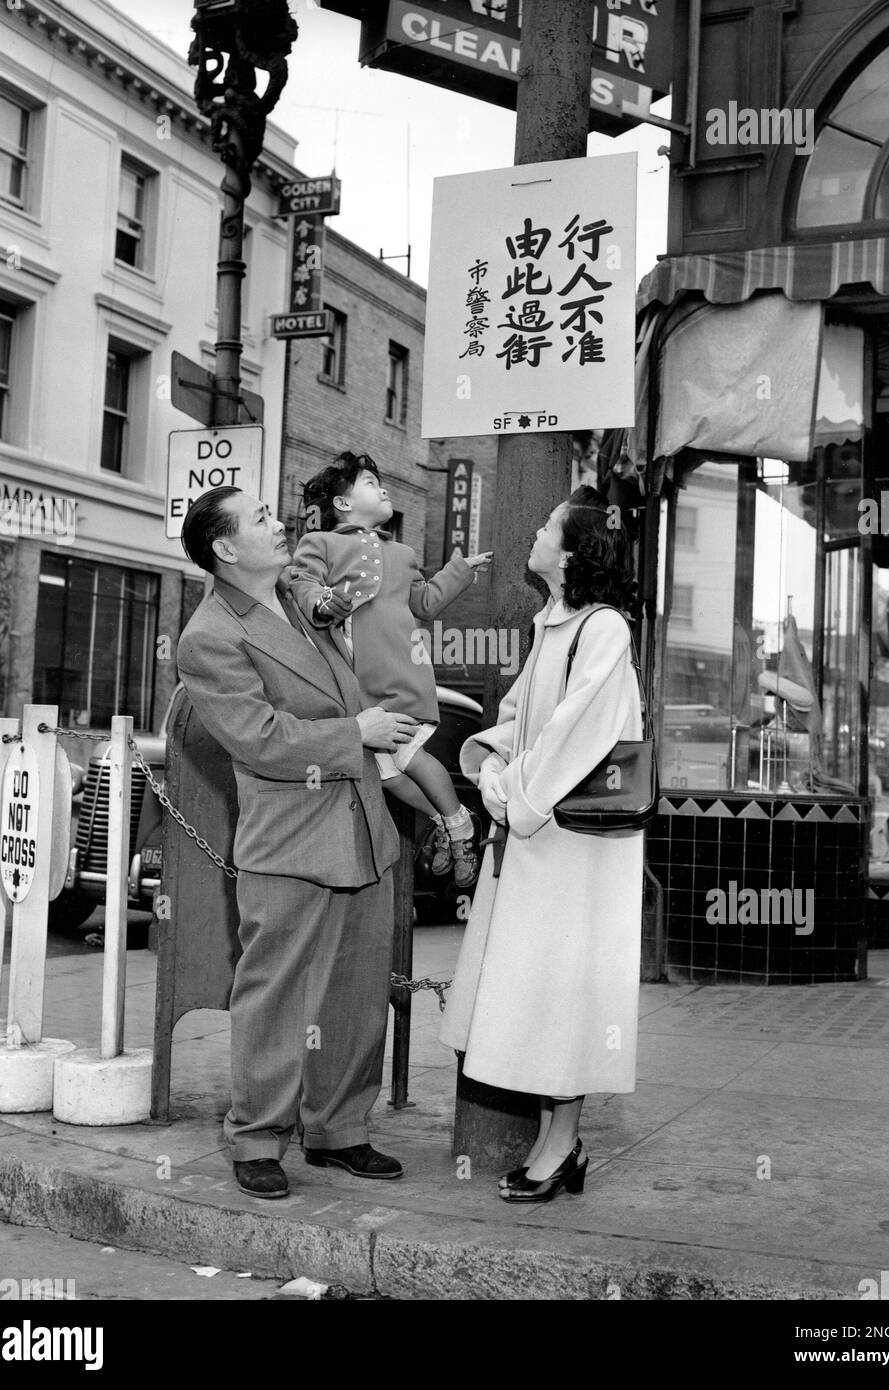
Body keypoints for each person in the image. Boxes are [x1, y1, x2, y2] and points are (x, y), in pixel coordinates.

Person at [176, 486, 416, 1199]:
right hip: (289, 839)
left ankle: (338, 1129)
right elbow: (258, 740)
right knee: (275, 995)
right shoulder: (209, 635)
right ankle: (255, 1137)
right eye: (258, 519)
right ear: (224, 549)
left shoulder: (297, 598)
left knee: (357, 990)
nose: (278, 522)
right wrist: (356, 735)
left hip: (360, 827)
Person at [438, 486, 644, 1204]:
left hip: (575, 848)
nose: (533, 530)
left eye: (546, 523)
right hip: (536, 839)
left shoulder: (603, 628)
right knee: (542, 991)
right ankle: (558, 1145)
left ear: (571, 548)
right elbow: (520, 715)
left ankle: (559, 1147)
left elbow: (576, 735)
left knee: (566, 993)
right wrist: (492, 763)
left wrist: (511, 789)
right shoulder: (553, 621)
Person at [285, 452, 492, 887]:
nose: (383, 488)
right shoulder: (319, 544)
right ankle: (448, 819)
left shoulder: (403, 553)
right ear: (342, 504)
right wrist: (322, 601)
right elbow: (303, 583)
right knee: (390, 776)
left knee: (409, 758)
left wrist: (458, 571)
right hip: (358, 689)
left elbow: (425, 603)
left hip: (399, 676)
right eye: (369, 482)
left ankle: (459, 826)